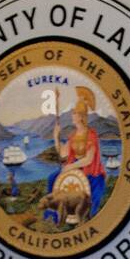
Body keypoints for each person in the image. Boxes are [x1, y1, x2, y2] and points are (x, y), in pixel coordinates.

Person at [45, 85, 106, 220]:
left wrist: (70, 166)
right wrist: (56, 137)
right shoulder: (73, 136)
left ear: (80, 116)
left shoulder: (91, 134)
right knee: (52, 178)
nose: (72, 116)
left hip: (89, 169)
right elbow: (62, 154)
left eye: (74, 113)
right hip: (75, 166)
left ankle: (83, 214)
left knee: (93, 188)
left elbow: (89, 159)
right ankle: (53, 210)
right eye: (73, 113)